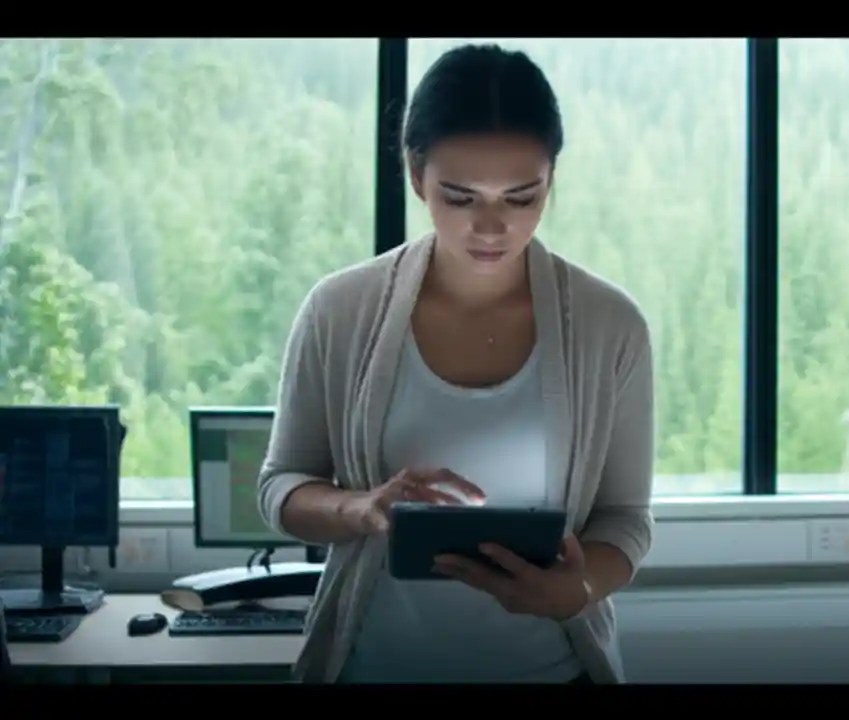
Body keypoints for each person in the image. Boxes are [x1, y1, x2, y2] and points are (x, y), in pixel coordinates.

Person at [256, 43, 655, 684]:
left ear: (551, 178)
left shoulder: (611, 326)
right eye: (461, 197)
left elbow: (626, 520)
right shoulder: (339, 310)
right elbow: (281, 485)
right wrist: (363, 509)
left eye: (521, 198)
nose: (491, 228)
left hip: (552, 670)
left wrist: (575, 590)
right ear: (416, 176)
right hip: (374, 667)